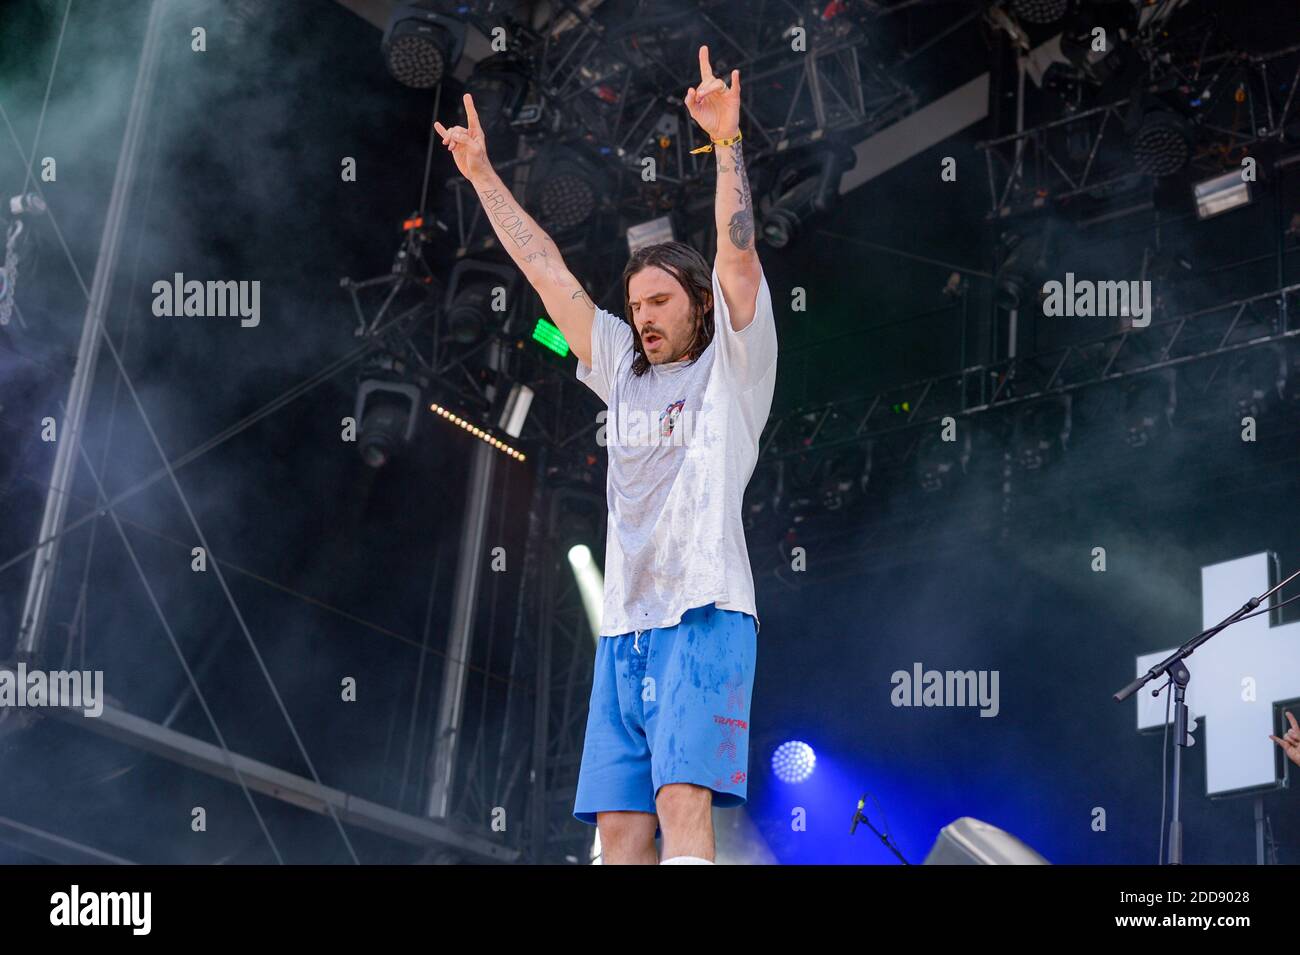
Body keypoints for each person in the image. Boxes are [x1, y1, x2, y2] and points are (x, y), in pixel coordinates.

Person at [435, 45, 776, 864]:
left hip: (706, 611)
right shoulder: (621, 367)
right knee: (617, 832)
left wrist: (726, 143)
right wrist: (483, 176)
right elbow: (546, 269)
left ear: (697, 305)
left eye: (660, 301)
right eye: (635, 305)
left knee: (680, 800)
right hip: (624, 624)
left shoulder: (735, 360)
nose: (645, 316)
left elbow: (736, 254)